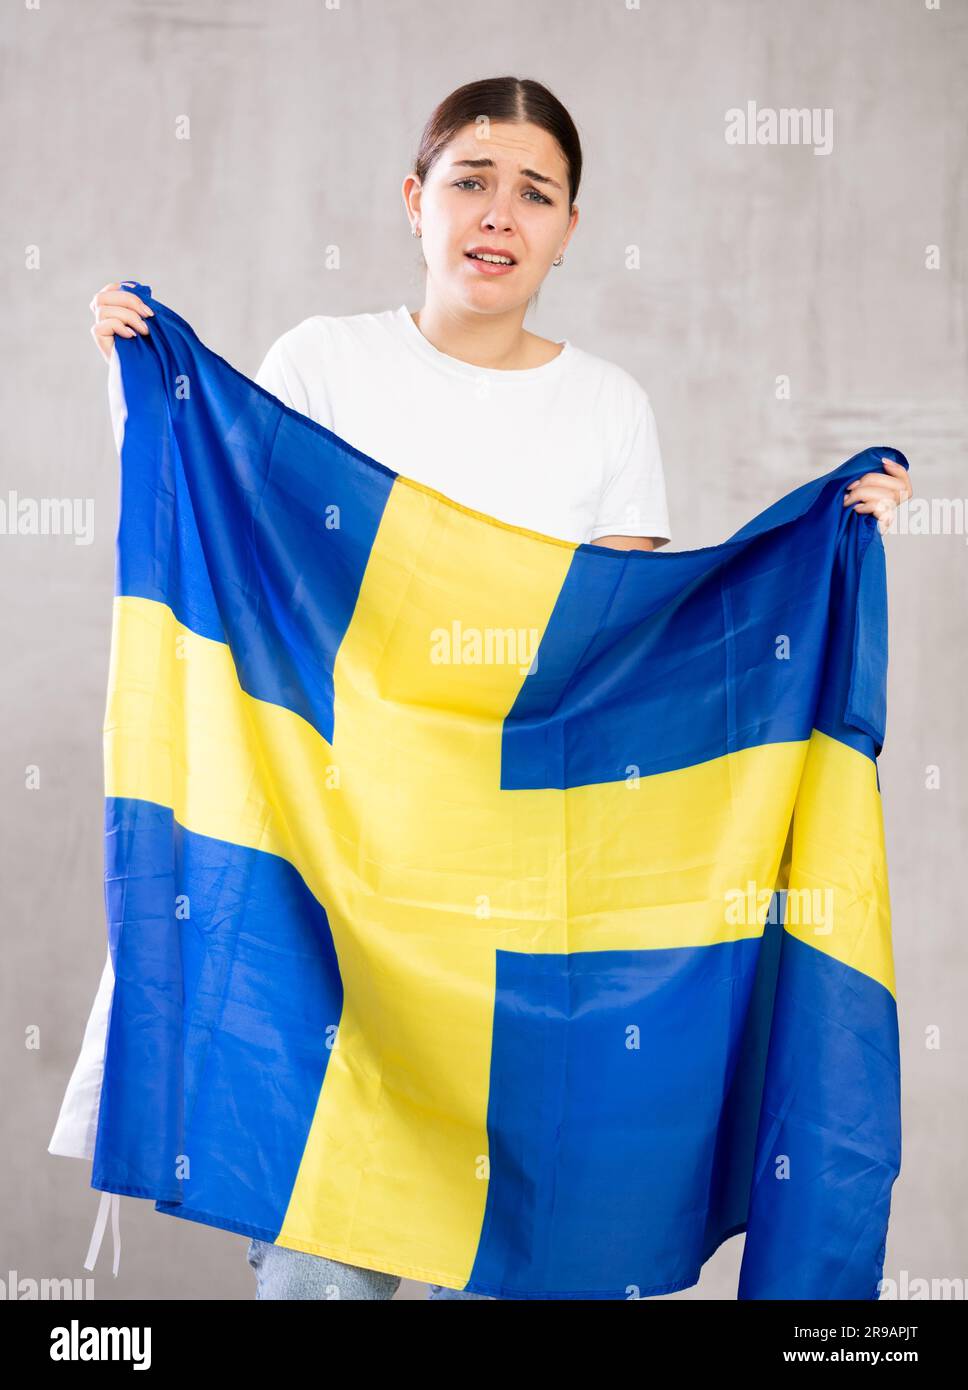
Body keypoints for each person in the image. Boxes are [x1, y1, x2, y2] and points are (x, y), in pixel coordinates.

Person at [85, 75, 914, 1301]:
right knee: (326, 1270)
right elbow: (226, 548)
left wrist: (813, 550)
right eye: (470, 180)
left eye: (535, 191)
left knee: (538, 1252)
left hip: (527, 915)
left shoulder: (606, 408)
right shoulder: (322, 363)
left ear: (570, 227)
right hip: (344, 892)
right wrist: (146, 383)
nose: (497, 212)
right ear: (415, 201)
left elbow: (632, 653)